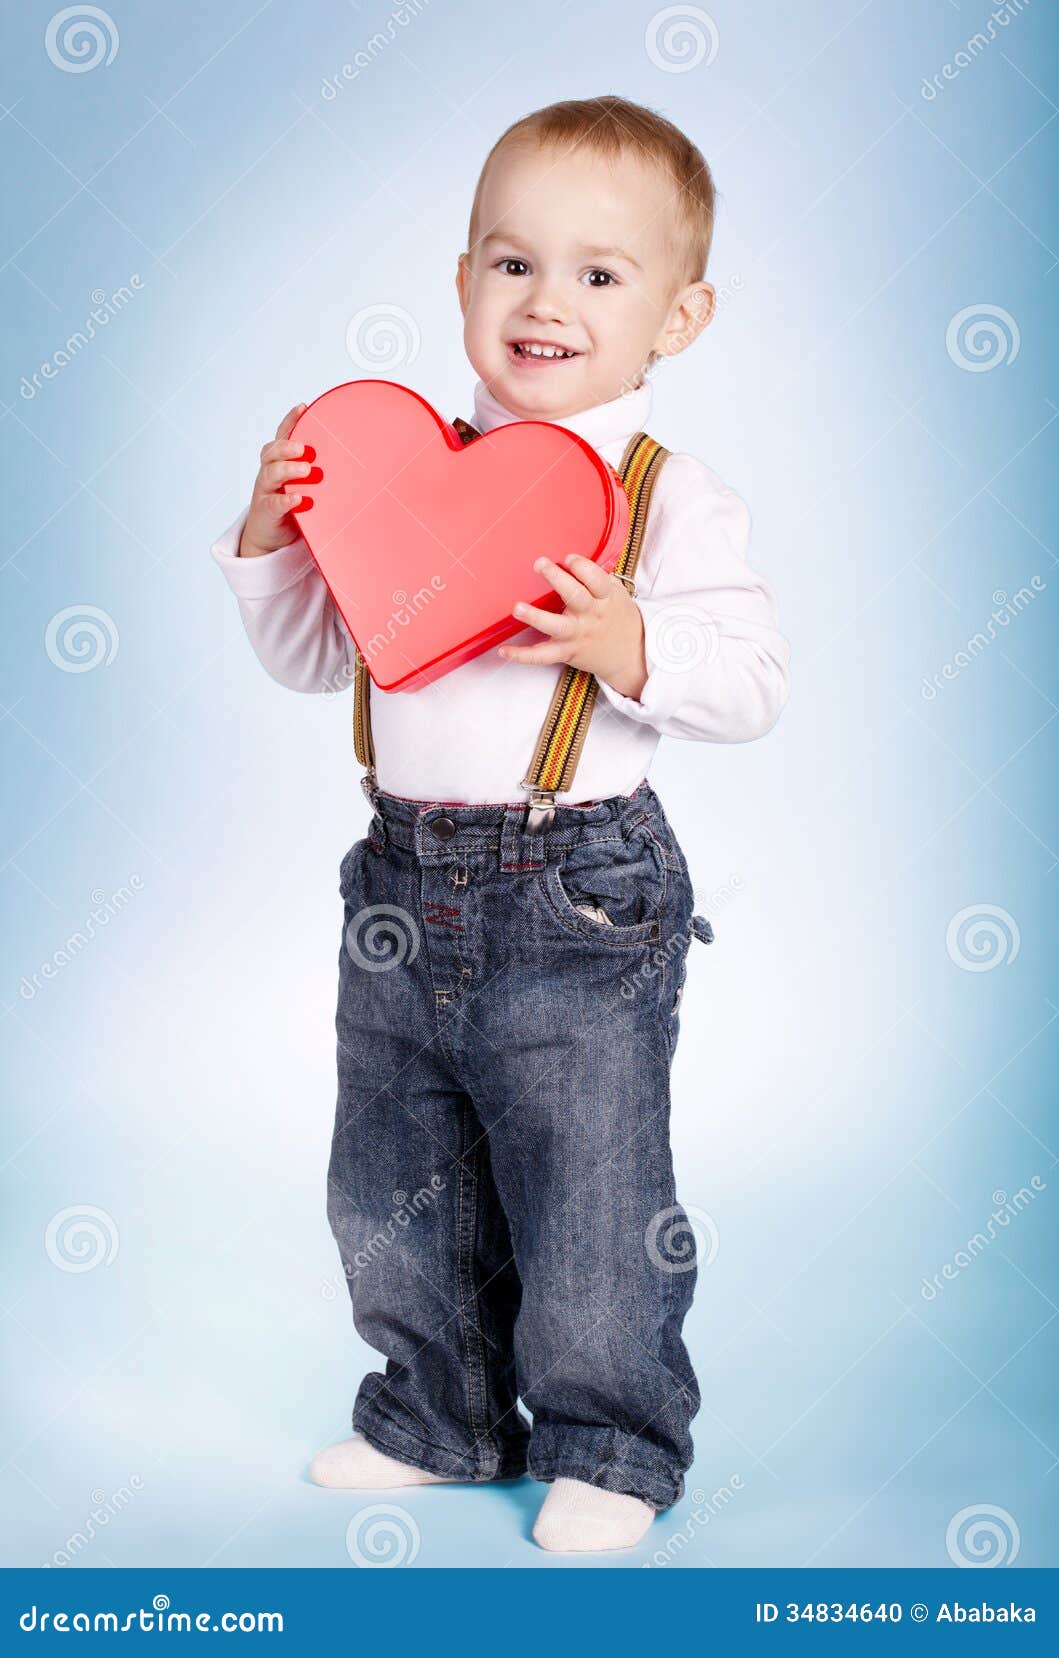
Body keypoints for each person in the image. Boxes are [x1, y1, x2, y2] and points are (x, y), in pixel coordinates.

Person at [210, 95, 789, 1554]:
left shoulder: (668, 501)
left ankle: (608, 1440)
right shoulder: (395, 474)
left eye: (601, 274)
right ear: (461, 275)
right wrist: (276, 541)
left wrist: (629, 637)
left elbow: (751, 684)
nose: (546, 301)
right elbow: (308, 659)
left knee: (588, 1191)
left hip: (575, 891)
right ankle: (437, 1413)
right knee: (394, 1179)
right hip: (397, 877)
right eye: (510, 262)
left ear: (679, 312)